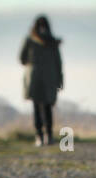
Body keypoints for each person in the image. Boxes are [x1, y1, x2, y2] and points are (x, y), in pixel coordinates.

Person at [19, 15, 63, 146]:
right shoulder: (53, 42)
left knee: (37, 107)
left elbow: (21, 58)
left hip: (34, 77)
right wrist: (60, 80)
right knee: (48, 107)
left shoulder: (29, 40)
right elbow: (58, 63)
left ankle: (39, 135)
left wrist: (32, 64)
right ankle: (48, 136)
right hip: (50, 78)